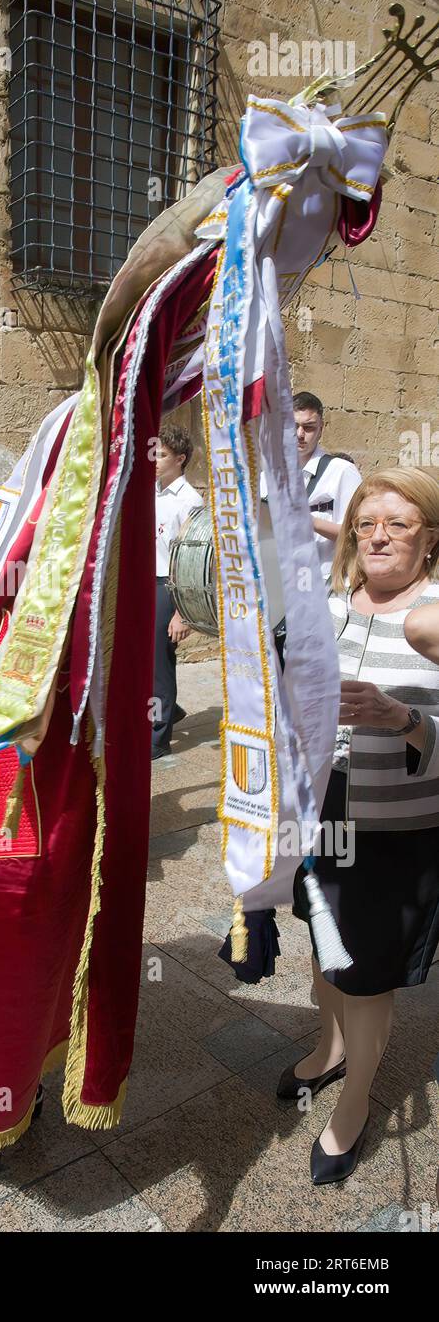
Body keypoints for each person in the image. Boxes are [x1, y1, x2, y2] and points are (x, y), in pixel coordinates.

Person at [278, 467, 439, 1186]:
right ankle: (330, 1046)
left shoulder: (435, 618)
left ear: (428, 541)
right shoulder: (332, 605)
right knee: (320, 940)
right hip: (321, 809)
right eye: (367, 523)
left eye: (398, 524)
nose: (378, 536)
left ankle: (355, 1102)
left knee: (366, 971)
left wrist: (403, 719)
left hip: (395, 830)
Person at [260, 392, 362, 666]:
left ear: (321, 428)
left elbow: (358, 534)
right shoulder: (268, 477)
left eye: (309, 427)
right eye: (293, 426)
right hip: (275, 593)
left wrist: (309, 521)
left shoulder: (341, 472)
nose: (300, 434)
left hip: (321, 593)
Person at [152, 423, 203, 759]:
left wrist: (182, 611)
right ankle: (171, 711)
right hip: (144, 583)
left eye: (163, 454)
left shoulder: (190, 500)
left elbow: (194, 560)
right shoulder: (151, 492)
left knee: (159, 665)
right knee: (140, 663)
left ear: (180, 459)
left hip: (168, 586)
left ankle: (157, 738)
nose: (155, 459)